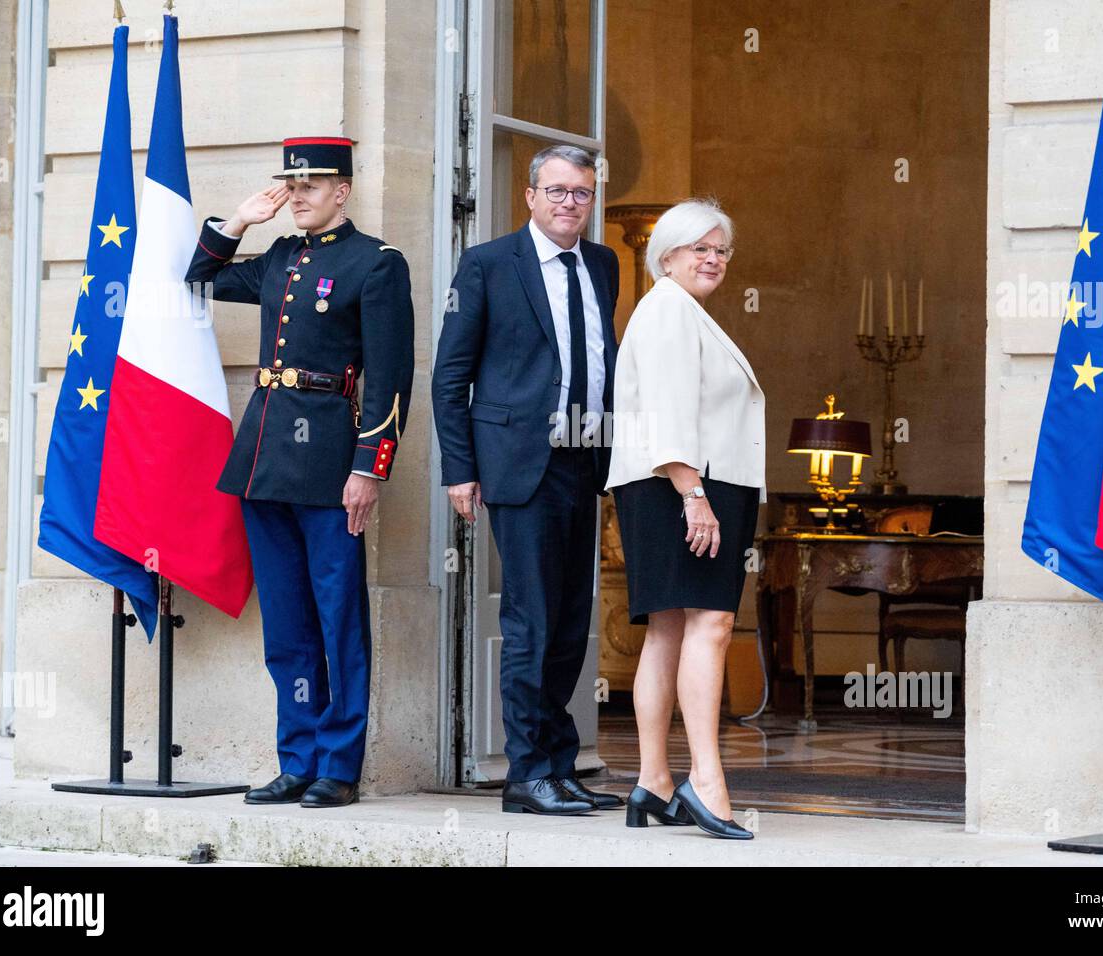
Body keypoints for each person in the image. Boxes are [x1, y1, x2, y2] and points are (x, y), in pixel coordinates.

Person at [184, 136, 414, 808]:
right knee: (286, 623)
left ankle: (338, 766)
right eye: (291, 184)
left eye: (311, 185)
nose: (298, 195)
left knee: (337, 616)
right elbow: (198, 276)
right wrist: (239, 221)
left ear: (342, 191)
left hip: (330, 462)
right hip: (263, 460)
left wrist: (369, 469)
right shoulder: (281, 255)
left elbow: (392, 377)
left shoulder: (376, 264)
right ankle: (297, 756)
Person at [432, 144, 622, 815]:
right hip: (519, 462)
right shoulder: (487, 265)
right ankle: (525, 774)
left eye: (583, 193)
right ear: (531, 195)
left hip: (586, 459)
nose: (571, 203)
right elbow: (450, 376)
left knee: (571, 625)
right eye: (559, 191)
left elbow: (603, 359)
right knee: (531, 621)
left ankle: (560, 765)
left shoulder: (602, 263)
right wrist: (460, 471)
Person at [605, 198, 766, 839]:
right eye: (699, 248)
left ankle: (652, 781)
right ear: (665, 256)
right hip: (687, 483)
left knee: (669, 629)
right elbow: (670, 411)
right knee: (712, 623)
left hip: (673, 484)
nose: (713, 259)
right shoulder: (670, 309)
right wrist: (694, 495)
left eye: (721, 250)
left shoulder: (674, 311)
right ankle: (706, 781)